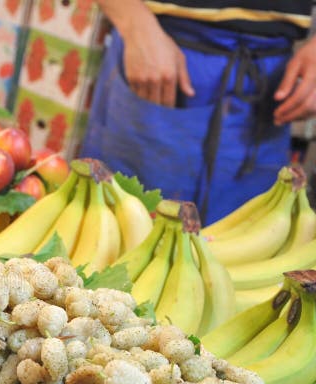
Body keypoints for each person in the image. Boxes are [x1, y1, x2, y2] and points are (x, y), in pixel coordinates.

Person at [80, 1, 316, 224]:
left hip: (267, 82)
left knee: (241, 251)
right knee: (116, 231)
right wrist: (135, 24)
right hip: (159, 57)